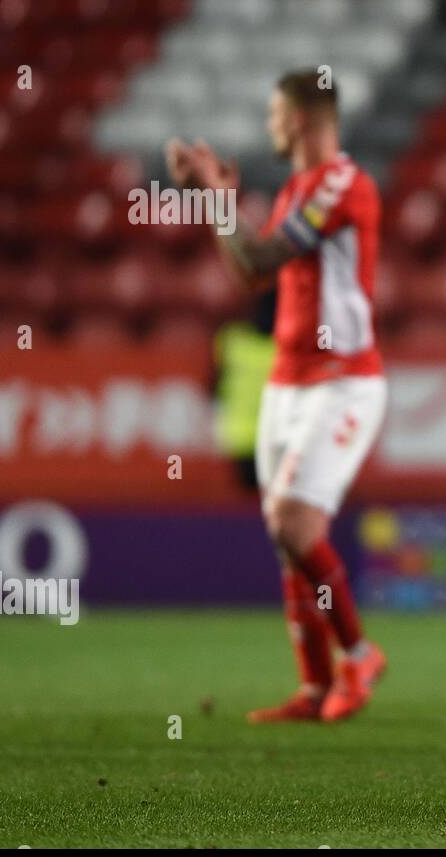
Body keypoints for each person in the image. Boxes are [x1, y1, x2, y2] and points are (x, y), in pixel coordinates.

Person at [165, 70, 387, 724]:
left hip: (342, 378)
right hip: (286, 382)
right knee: (287, 539)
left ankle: (360, 652)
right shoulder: (296, 188)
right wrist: (217, 202)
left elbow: (260, 258)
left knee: (294, 522)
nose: (268, 125)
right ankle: (316, 687)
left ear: (299, 119)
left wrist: (217, 195)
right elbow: (247, 272)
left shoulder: (343, 184)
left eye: (273, 113)